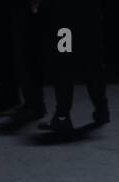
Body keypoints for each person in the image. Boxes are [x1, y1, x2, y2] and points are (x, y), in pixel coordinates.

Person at [37, 0, 108, 135]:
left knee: (64, 64)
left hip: (65, 15)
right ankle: (102, 109)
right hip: (89, 13)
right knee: (92, 63)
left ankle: (63, 116)